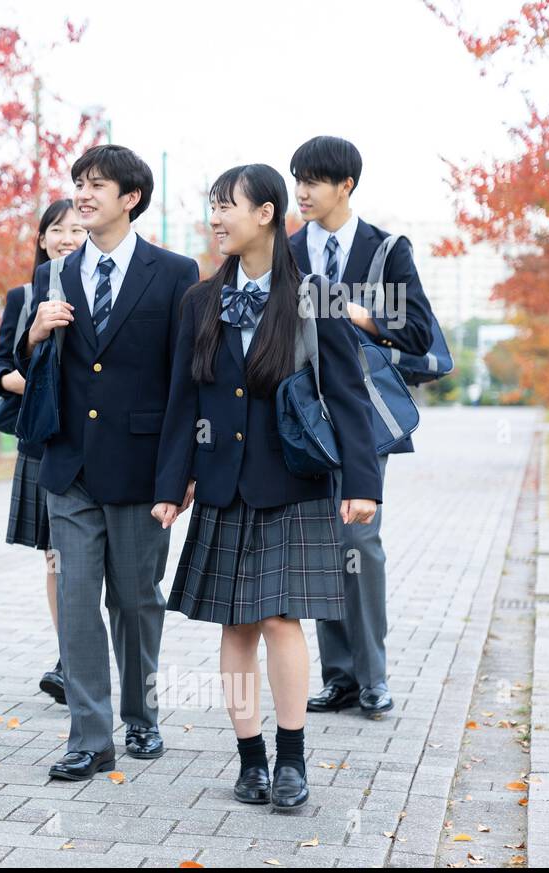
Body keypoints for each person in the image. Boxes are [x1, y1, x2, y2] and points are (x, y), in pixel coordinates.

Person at [152, 163, 382, 809]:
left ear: (266, 214)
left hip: (295, 481)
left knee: (283, 620)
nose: (215, 217)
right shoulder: (199, 299)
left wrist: (362, 483)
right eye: (211, 205)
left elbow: (348, 393)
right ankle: (249, 759)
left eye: (227, 205)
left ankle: (292, 760)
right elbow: (182, 400)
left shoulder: (317, 293)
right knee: (236, 627)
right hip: (223, 485)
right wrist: (172, 484)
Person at [16, 145, 199, 780]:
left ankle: (141, 715)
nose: (83, 195)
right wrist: (34, 332)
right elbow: (22, 365)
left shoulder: (176, 273)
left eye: (97, 185)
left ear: (132, 198)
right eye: (78, 184)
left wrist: (180, 475)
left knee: (137, 600)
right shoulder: (53, 275)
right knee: (74, 599)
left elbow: (185, 382)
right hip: (69, 467)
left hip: (144, 469)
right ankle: (90, 736)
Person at [288, 135, 436, 718]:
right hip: (301, 415)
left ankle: (372, 675)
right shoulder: (288, 250)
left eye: (313, 181)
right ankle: (340, 677)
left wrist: (359, 315)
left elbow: (418, 331)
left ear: (345, 185)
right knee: (323, 544)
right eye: (296, 179)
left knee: (357, 539)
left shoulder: (385, 250)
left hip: (363, 414)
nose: (301, 191)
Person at [0, 198, 87, 704]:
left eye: (76, 229)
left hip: (98, 441)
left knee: (94, 560)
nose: (68, 237)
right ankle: (70, 658)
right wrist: (36, 375)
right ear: (43, 240)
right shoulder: (24, 296)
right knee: (57, 559)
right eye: (57, 230)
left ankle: (84, 655)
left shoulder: (105, 291)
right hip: (45, 442)